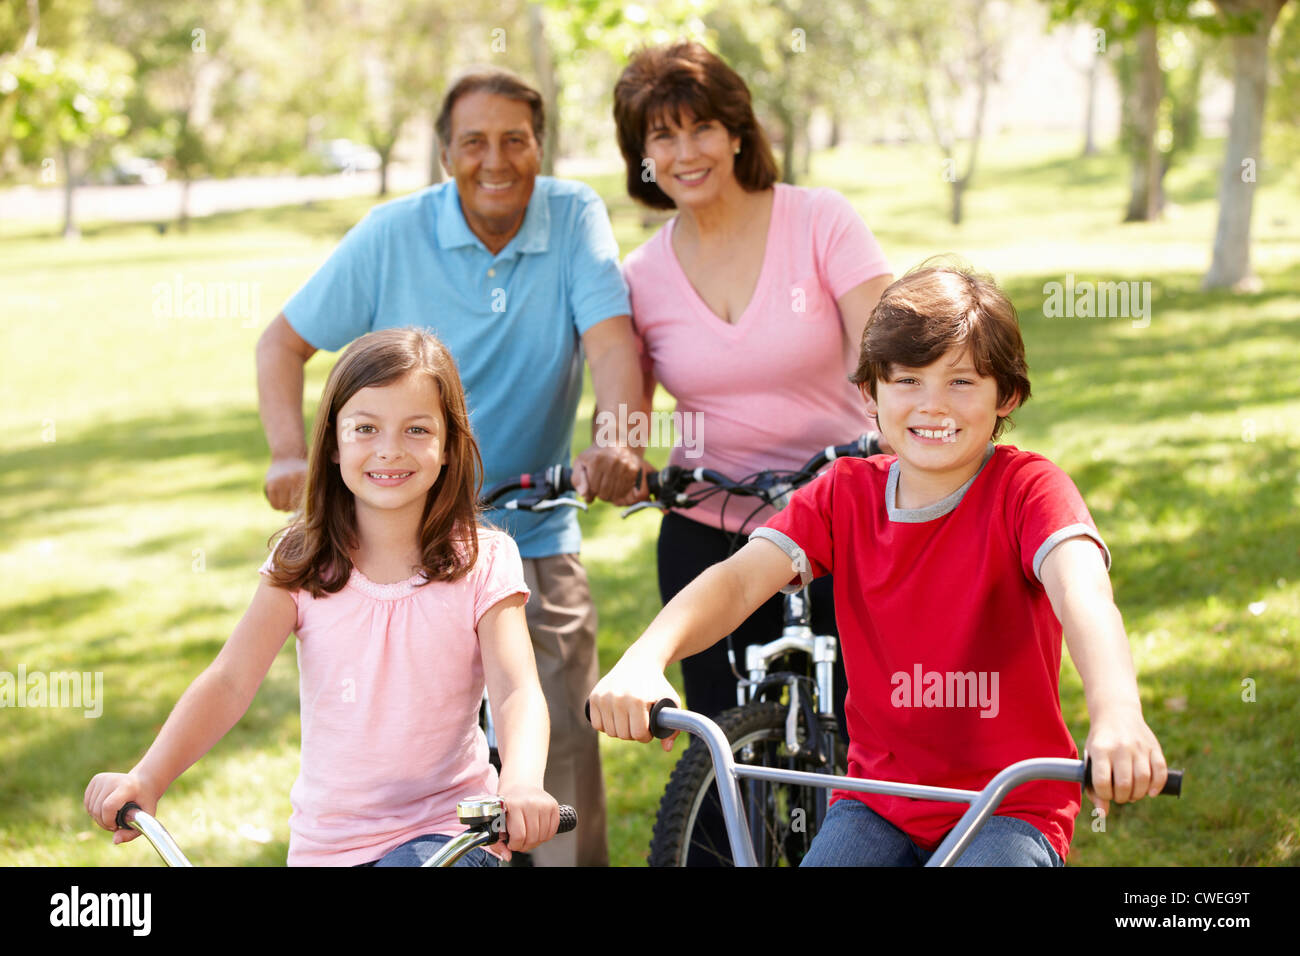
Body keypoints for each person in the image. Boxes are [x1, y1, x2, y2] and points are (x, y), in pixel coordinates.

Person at [588, 264, 1170, 866]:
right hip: (878, 801)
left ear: (1008, 394)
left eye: (963, 382)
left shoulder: (1028, 491)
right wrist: (644, 658)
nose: (933, 405)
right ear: (869, 394)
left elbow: (1083, 595)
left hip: (1010, 807)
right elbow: (737, 582)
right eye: (908, 381)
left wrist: (1117, 714)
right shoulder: (843, 495)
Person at [256, 69, 643, 866]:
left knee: (556, 735)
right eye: (474, 141)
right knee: (413, 756)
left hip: (529, 524)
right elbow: (281, 342)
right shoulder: (390, 234)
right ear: (444, 154)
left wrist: (620, 439)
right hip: (392, 537)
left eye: (515, 139)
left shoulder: (572, 217)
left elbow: (609, 340)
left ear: (541, 147)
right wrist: (291, 454)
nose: (494, 159)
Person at [86, 329, 562, 866]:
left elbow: (516, 689)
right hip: (325, 847)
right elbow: (230, 680)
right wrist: (148, 776)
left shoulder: (483, 560)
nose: (389, 449)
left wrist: (521, 782)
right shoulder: (305, 561)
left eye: (417, 429)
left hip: (445, 833)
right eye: (365, 428)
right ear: (333, 444)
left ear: (449, 445)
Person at [612, 41, 895, 729]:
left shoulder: (819, 220)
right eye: (663, 136)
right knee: (717, 743)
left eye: (701, 127)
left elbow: (890, 354)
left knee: (863, 730)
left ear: (737, 133)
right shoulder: (641, 275)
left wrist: (898, 447)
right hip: (707, 521)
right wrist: (617, 456)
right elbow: (626, 417)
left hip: (840, 506)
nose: (686, 153)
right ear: (642, 157)